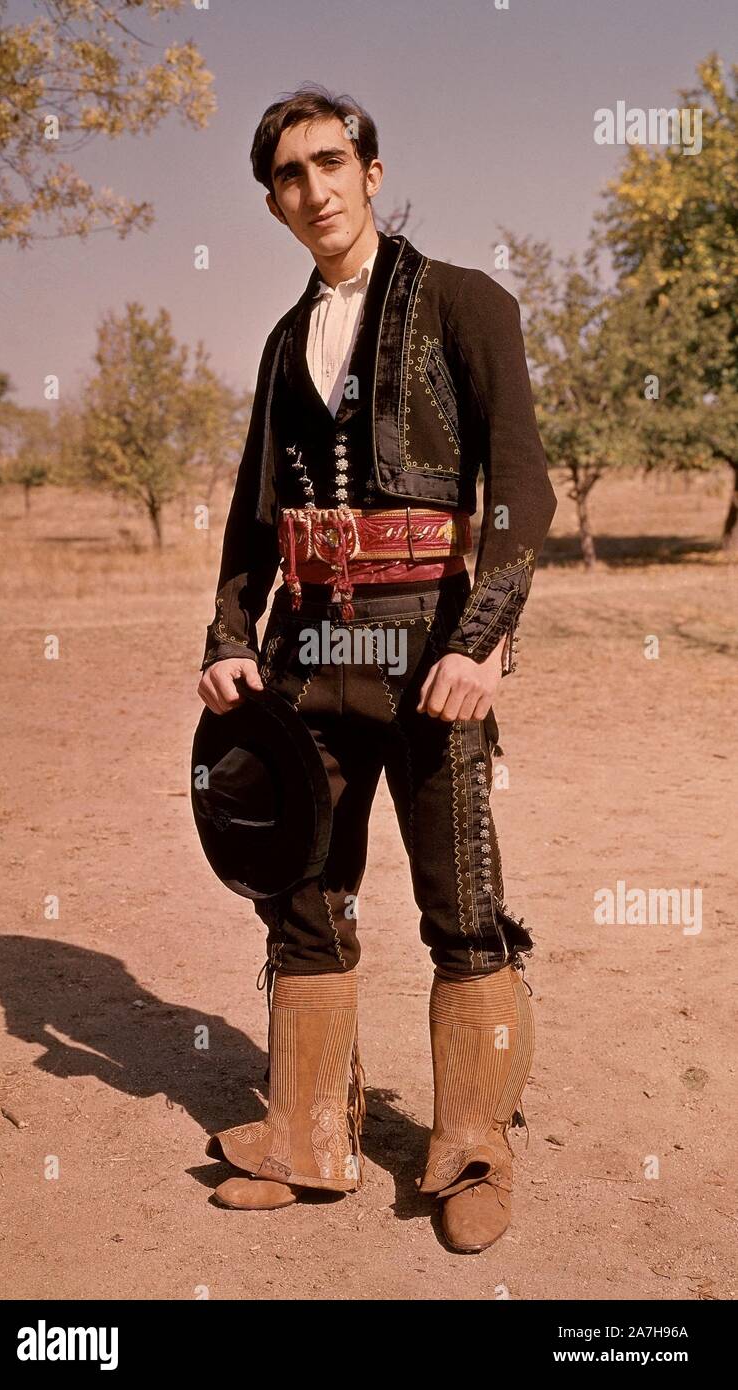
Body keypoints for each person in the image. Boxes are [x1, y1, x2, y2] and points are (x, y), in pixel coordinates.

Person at [198, 84, 557, 1252]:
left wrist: (481, 638)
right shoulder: (279, 344)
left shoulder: (466, 302)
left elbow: (523, 485)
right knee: (304, 898)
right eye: (289, 175)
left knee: (463, 906)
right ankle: (311, 1139)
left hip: (428, 652)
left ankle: (472, 1151)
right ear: (273, 203)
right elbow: (254, 519)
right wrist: (228, 641)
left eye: (330, 162)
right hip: (307, 660)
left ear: (372, 172)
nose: (314, 189)